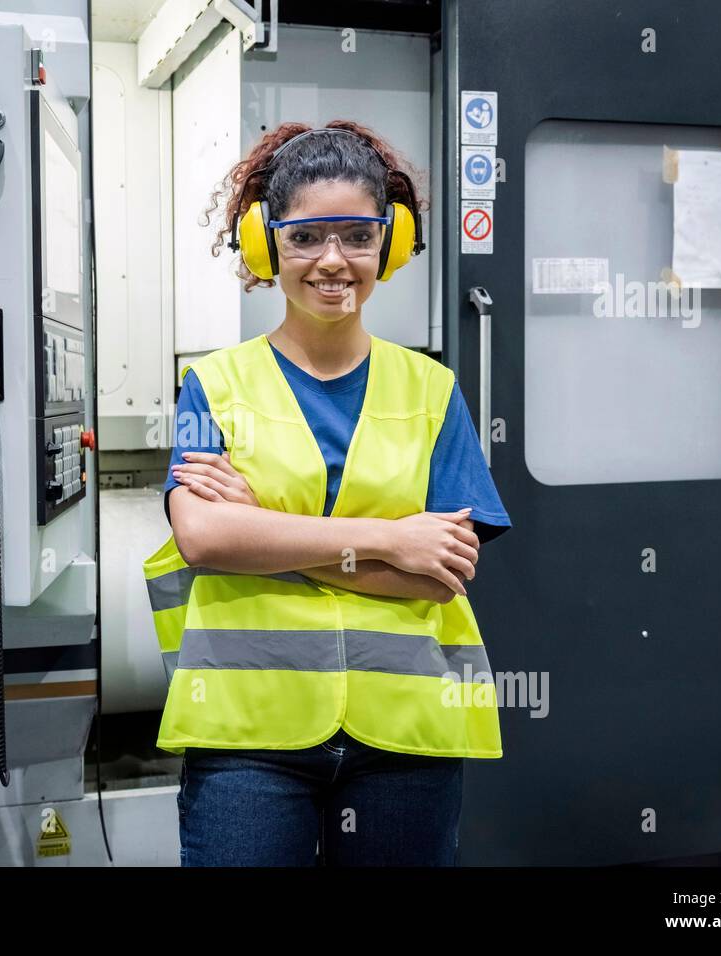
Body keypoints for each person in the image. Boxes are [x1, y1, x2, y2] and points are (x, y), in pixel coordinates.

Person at [141, 120, 511, 867]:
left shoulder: (433, 391)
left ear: (392, 242)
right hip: (248, 736)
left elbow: (441, 573)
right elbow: (206, 540)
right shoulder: (210, 386)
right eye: (307, 237)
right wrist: (388, 538)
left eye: (356, 235)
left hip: (405, 734)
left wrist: (264, 534)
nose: (333, 261)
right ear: (265, 242)